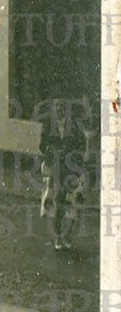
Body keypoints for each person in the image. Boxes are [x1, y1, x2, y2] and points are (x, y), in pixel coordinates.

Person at [39, 99, 90, 250]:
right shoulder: (48, 126)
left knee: (72, 203)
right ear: (53, 110)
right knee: (57, 203)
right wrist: (51, 152)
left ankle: (67, 235)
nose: (59, 109)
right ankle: (57, 238)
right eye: (56, 107)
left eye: (62, 107)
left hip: (71, 169)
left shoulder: (74, 126)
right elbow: (42, 146)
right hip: (56, 169)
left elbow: (81, 145)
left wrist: (75, 161)